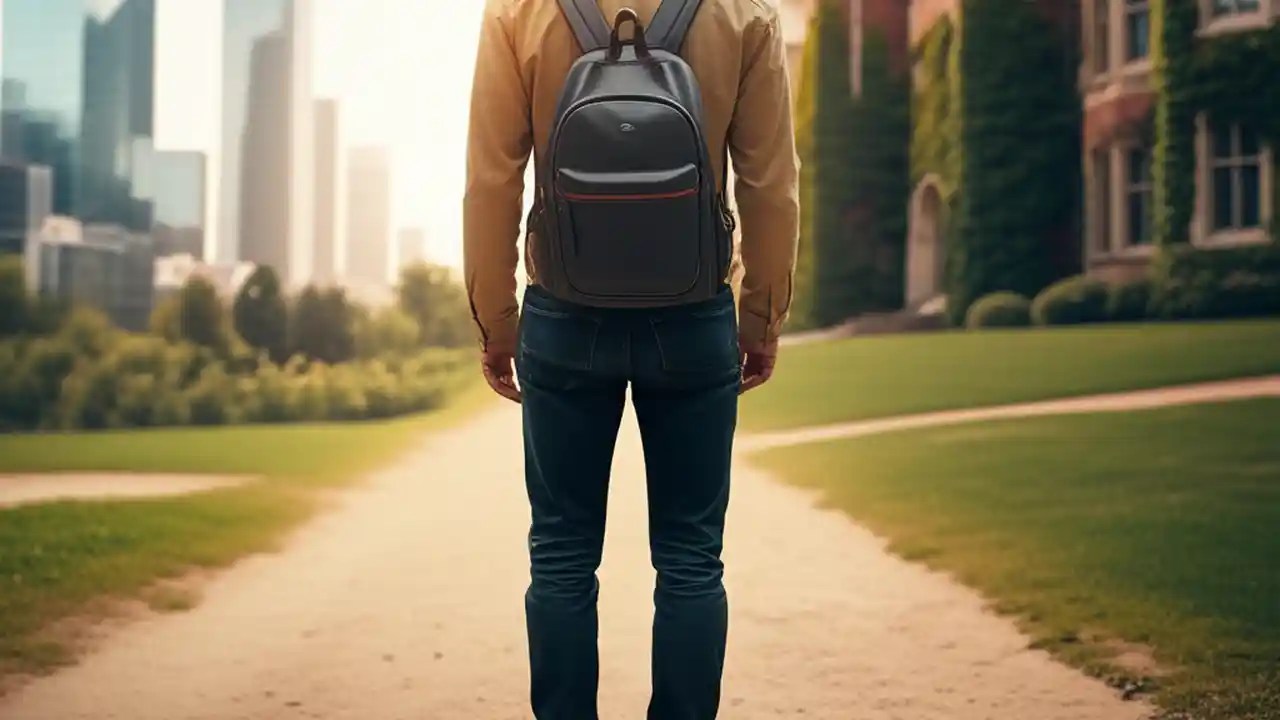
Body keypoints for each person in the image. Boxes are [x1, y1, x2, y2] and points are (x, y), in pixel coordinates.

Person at [464, 0, 799, 717]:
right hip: (692, 317)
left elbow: (492, 178)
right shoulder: (746, 14)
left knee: (560, 554)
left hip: (563, 315)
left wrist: (496, 318)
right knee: (691, 557)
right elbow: (770, 183)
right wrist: (761, 317)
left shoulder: (517, 11)